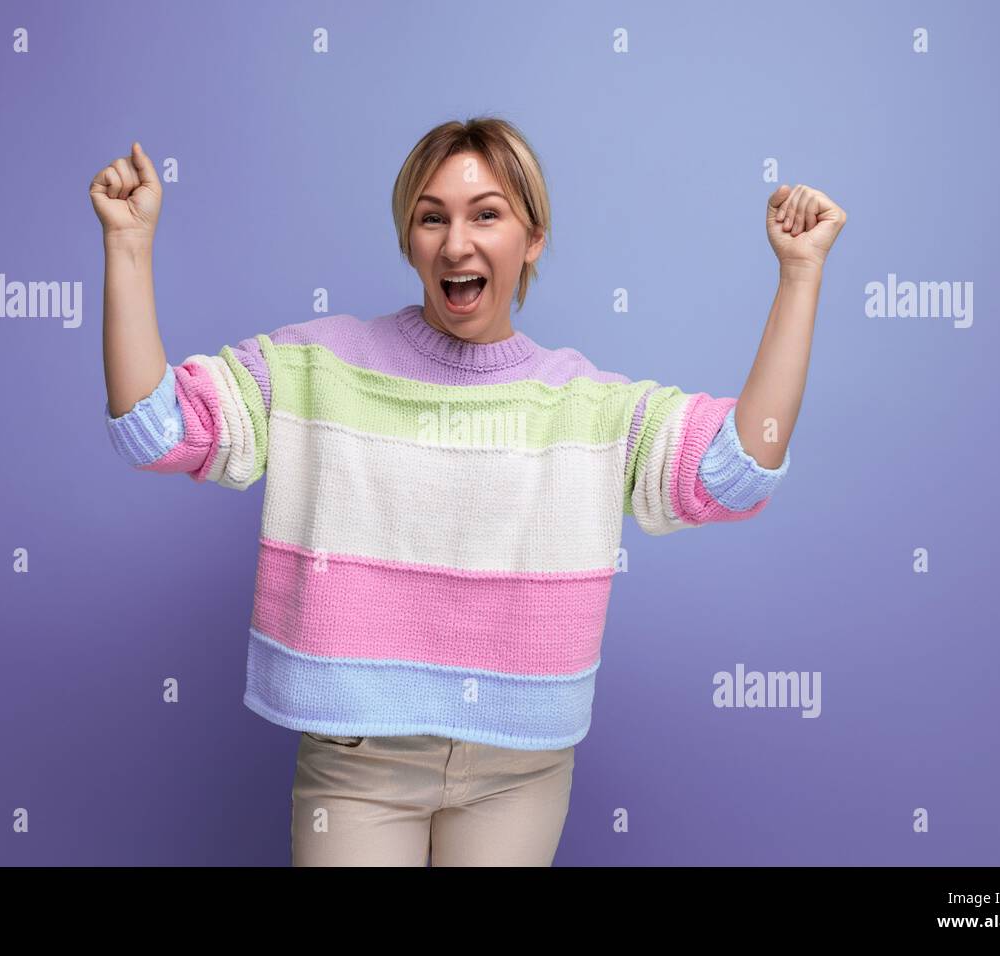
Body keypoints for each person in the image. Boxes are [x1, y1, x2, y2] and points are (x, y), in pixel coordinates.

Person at [90, 116, 845, 866]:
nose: (457, 243)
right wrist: (127, 246)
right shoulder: (315, 367)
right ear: (409, 240)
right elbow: (156, 428)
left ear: (534, 237)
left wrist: (800, 275)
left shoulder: (586, 404)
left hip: (519, 770)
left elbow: (737, 471)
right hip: (358, 761)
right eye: (431, 218)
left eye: (487, 214)